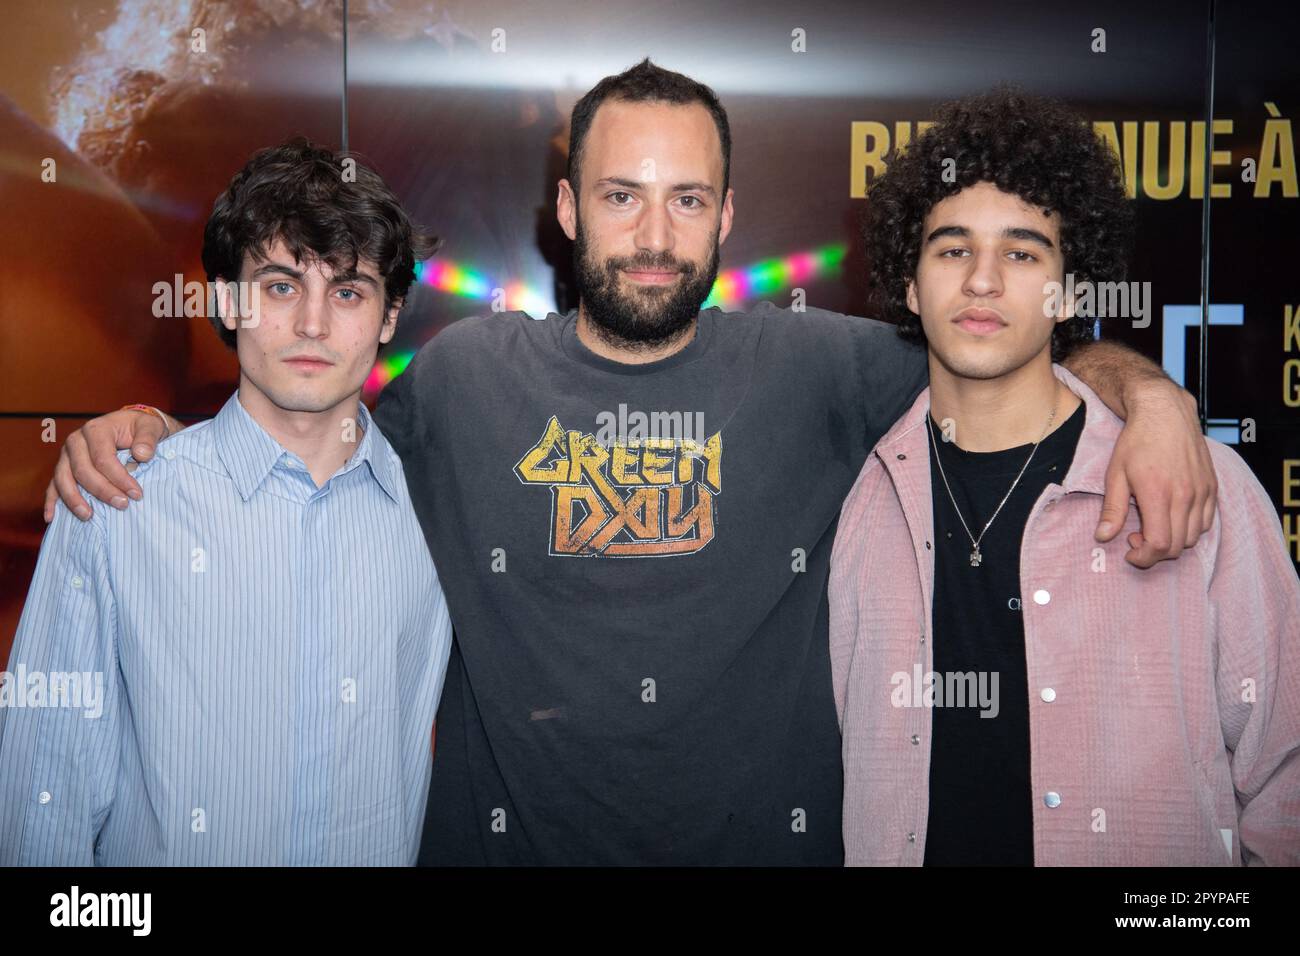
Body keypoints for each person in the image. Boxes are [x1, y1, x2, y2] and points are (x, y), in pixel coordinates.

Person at [43, 63, 1219, 866]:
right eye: (620, 196)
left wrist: (1151, 397)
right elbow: (297, 426)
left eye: (684, 201)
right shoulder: (461, 382)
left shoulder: (822, 368)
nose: (652, 238)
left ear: (723, 219)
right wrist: (140, 427)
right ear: (565, 208)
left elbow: (1001, 347)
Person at [830, 88, 1300, 866]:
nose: (983, 280)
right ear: (910, 285)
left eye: (1022, 252)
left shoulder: (1201, 489)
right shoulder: (861, 497)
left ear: (1070, 293)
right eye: (952, 249)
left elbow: (1286, 779)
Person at [0, 139, 452, 865]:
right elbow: (40, 802)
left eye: (347, 291)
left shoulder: (439, 506)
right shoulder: (120, 501)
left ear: (389, 316)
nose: (312, 324)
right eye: (280, 286)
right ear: (228, 302)